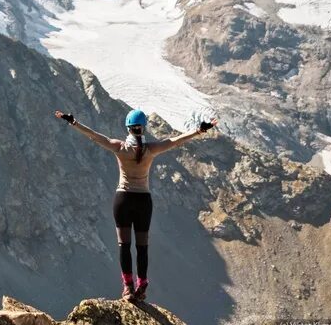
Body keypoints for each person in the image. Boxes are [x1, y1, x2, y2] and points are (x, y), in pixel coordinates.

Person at [54, 108, 218, 302]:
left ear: (128, 128)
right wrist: (200, 130)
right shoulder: (151, 149)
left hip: (123, 200)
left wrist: (73, 122)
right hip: (143, 201)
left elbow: (97, 138)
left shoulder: (120, 148)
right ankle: (142, 284)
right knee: (142, 247)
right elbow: (175, 141)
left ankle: (128, 287)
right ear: (143, 128)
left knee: (124, 245)